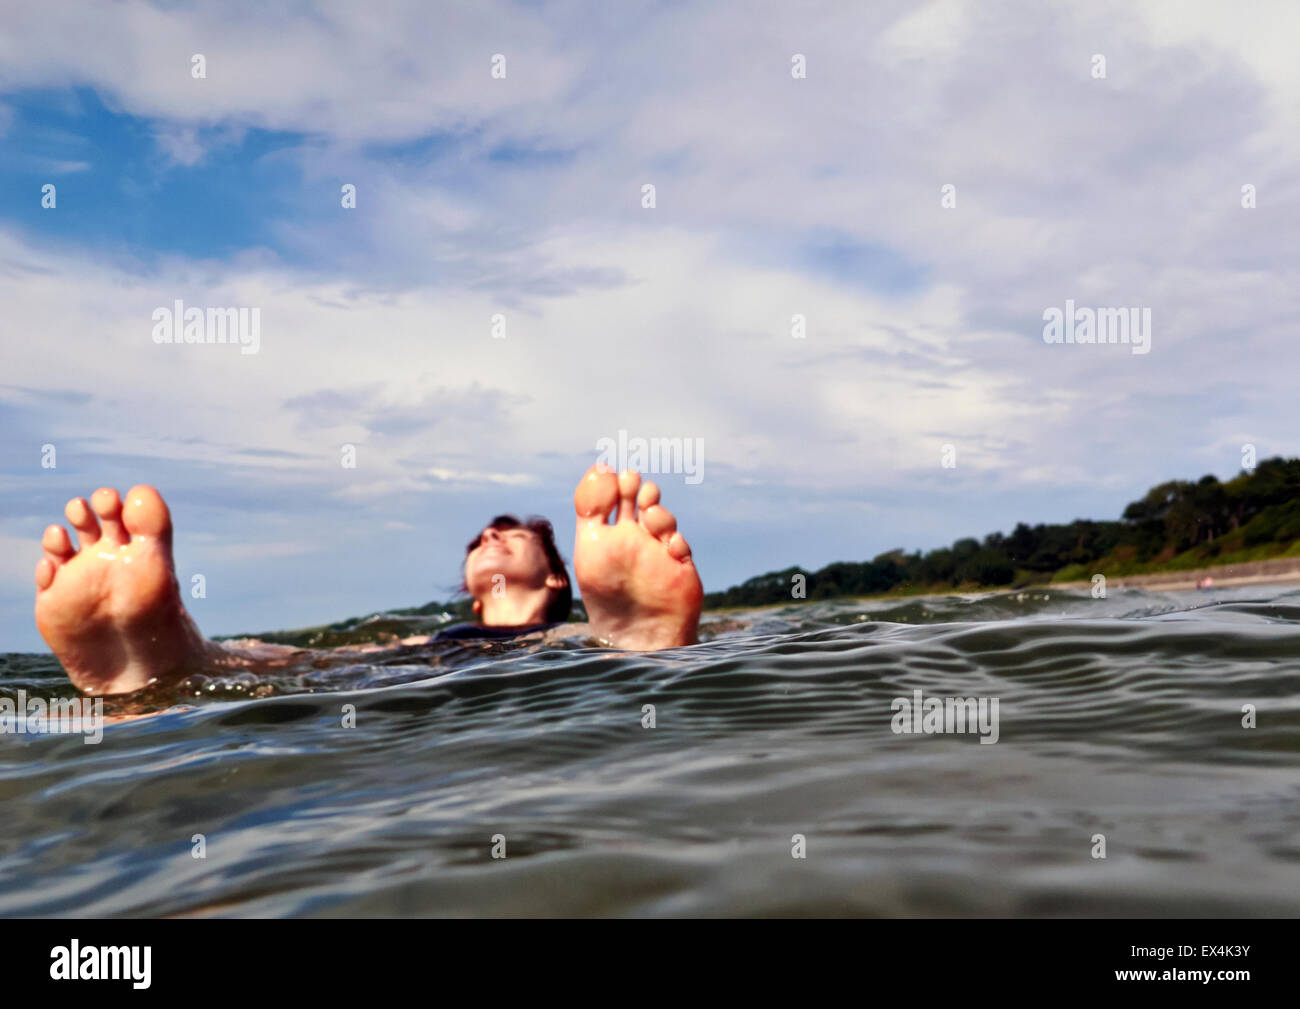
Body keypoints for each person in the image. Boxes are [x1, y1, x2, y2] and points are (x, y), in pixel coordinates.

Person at [32, 464, 703, 697]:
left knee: (593, 646)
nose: (489, 537)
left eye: (510, 532)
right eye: (479, 539)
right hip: (419, 674)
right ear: (472, 587)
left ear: (559, 577)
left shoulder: (564, 637)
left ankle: (633, 639)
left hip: (551, 666)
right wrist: (252, 654)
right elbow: (339, 659)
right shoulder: (440, 634)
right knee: (315, 666)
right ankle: (175, 655)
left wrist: (596, 634)